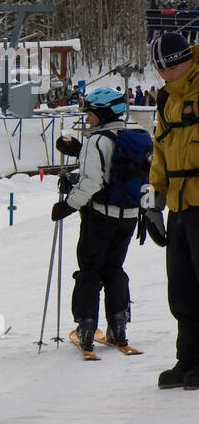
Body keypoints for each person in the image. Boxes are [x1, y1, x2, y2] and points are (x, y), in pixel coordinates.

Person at [51, 87, 151, 352]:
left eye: (90, 114)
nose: (87, 119)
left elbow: (92, 180)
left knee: (90, 271)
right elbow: (113, 167)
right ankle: (118, 327)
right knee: (114, 269)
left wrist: (68, 205)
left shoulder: (97, 141)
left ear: (103, 113)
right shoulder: (131, 136)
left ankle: (86, 328)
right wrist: (80, 150)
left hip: (100, 218)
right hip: (129, 217)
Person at [141, 32, 199, 388]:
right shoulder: (165, 100)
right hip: (179, 205)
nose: (166, 73)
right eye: (161, 67)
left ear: (187, 59)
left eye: (172, 65)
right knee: (182, 288)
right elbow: (159, 154)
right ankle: (188, 358)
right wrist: (154, 202)